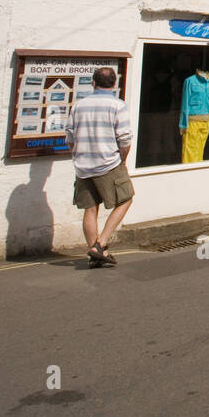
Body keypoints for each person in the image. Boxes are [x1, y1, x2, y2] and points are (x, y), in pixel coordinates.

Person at [65, 67, 135, 267]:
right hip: (108, 163)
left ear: (93, 83)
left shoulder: (79, 105)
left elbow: (69, 135)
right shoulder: (117, 105)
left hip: (83, 165)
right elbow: (124, 139)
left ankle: (94, 254)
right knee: (126, 199)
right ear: (114, 84)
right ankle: (101, 244)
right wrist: (122, 160)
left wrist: (77, 153)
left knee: (90, 208)